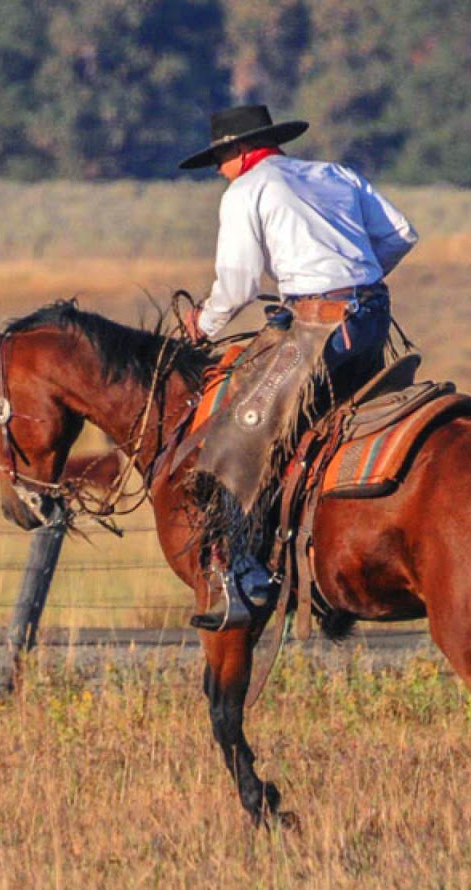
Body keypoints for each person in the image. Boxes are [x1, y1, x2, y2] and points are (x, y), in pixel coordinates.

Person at [176, 104, 419, 631]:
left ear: (239, 152)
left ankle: (242, 572)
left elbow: (238, 284)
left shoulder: (245, 191)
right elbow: (401, 233)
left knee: (240, 429)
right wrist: (358, 276)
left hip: (319, 329)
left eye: (220, 158)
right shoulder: (335, 174)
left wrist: (204, 324)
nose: (219, 169)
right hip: (373, 318)